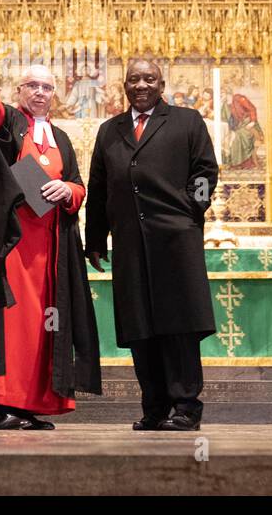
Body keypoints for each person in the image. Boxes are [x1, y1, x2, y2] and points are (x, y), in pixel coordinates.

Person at [0, 64, 101, 430]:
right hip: (10, 243)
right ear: (20, 91)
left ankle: (26, 405)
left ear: (55, 94)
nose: (40, 92)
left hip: (51, 252)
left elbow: (77, 184)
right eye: (32, 86)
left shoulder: (62, 139)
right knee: (8, 324)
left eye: (47, 87)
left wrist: (69, 192)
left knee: (43, 327)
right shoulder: (11, 125)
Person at [85, 57, 218, 431]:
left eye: (149, 79)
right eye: (133, 80)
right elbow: (98, 187)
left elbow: (206, 170)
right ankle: (155, 407)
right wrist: (95, 238)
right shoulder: (109, 131)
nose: (141, 85)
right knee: (141, 328)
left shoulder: (186, 121)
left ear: (161, 84)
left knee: (178, 325)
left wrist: (194, 208)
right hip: (129, 244)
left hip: (176, 241)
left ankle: (185, 406)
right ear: (124, 87)